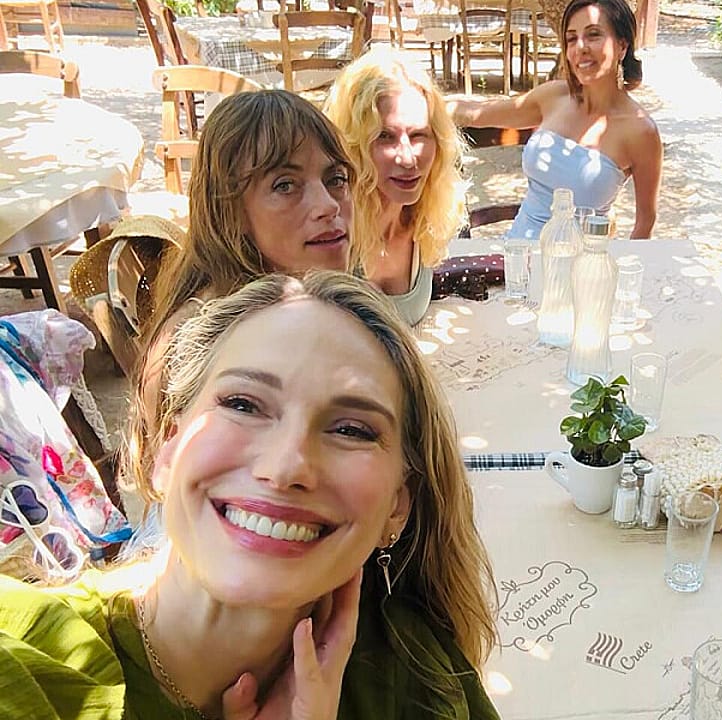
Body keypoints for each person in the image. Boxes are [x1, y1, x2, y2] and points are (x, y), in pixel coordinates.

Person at [0, 272, 519, 720]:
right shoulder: (34, 681)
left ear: (396, 508)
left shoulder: (414, 689)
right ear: (167, 451)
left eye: (351, 430)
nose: (286, 464)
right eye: (243, 404)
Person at [137, 89, 356, 413]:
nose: (328, 205)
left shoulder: (298, 306)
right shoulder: (215, 347)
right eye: (285, 185)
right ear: (230, 211)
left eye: (335, 178)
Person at [447, 0, 662, 240]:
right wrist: (422, 103)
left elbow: (645, 222)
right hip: (517, 255)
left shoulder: (640, 130)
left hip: (581, 268)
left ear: (622, 46)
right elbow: (478, 113)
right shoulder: (553, 96)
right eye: (571, 38)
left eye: (593, 35)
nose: (580, 47)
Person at [325, 48, 468, 325]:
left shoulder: (427, 223)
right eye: (384, 137)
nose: (407, 158)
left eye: (418, 135)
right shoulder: (330, 231)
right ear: (352, 146)